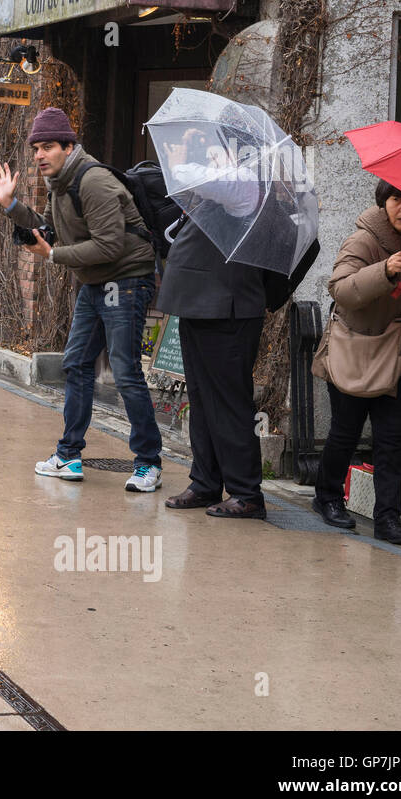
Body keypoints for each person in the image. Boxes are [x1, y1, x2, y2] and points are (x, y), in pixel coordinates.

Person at [0, 106, 162, 492]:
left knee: (125, 370)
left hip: (127, 281)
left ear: (68, 147)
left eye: (47, 146)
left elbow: (109, 245)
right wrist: (11, 207)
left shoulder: (94, 181)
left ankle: (149, 462)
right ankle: (68, 456)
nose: (38, 155)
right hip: (94, 282)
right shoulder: (61, 185)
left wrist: (52, 256)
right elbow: (47, 230)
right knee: (78, 364)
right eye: (35, 148)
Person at [311, 182, 401, 543]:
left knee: (391, 440)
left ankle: (387, 518)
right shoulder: (362, 240)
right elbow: (341, 289)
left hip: (397, 356)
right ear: (384, 202)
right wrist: (384, 270)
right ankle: (327, 497)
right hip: (356, 352)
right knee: (345, 432)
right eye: (396, 199)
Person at [157, 128, 275, 519]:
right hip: (202, 308)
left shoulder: (241, 182)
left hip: (229, 310)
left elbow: (189, 175)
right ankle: (206, 482)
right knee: (203, 401)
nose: (211, 150)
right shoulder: (220, 184)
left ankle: (246, 493)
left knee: (229, 402)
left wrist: (181, 152)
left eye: (219, 144)